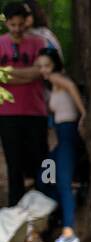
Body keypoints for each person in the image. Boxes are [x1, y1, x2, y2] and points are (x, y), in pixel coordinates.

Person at [34, 48, 81, 242]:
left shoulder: (58, 78)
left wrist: (85, 113)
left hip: (69, 132)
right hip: (61, 137)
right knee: (44, 177)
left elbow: (71, 87)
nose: (43, 70)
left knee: (62, 181)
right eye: (40, 66)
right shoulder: (51, 85)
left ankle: (68, 231)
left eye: (47, 65)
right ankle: (68, 206)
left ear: (54, 65)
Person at [0, 2, 48, 208]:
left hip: (35, 111)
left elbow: (41, 71)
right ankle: (14, 211)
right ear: (6, 23)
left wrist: (9, 73)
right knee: (14, 165)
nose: (17, 29)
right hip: (7, 113)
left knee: (43, 162)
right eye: (13, 25)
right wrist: (28, 73)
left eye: (21, 24)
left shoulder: (39, 42)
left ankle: (45, 208)